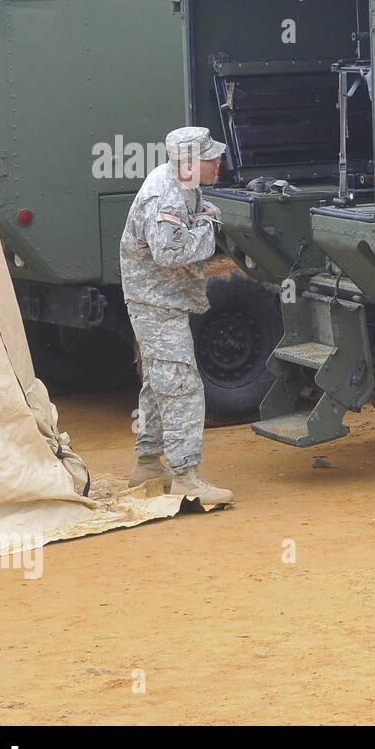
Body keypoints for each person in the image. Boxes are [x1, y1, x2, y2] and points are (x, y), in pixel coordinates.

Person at [120, 126, 234, 502]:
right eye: (210, 158)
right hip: (156, 301)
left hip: (161, 298)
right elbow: (170, 253)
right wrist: (208, 226)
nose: (219, 161)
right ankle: (186, 477)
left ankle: (148, 465)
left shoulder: (185, 184)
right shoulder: (164, 197)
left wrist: (202, 217)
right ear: (188, 164)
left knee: (159, 381)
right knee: (182, 383)